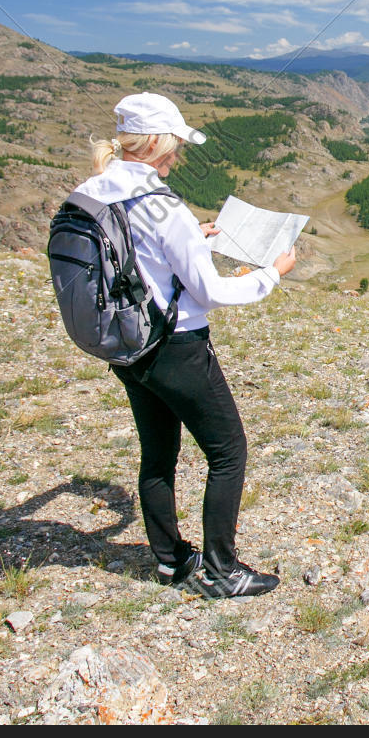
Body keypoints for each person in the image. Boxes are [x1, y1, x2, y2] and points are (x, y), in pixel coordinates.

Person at [70, 92, 297, 598]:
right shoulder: (159, 204)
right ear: (153, 142)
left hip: (127, 345)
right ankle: (221, 569)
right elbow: (210, 291)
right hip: (177, 345)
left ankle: (172, 561)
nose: (177, 155)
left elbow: (135, 257)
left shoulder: (93, 192)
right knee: (228, 450)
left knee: (158, 453)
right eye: (173, 145)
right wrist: (271, 276)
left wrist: (193, 237)